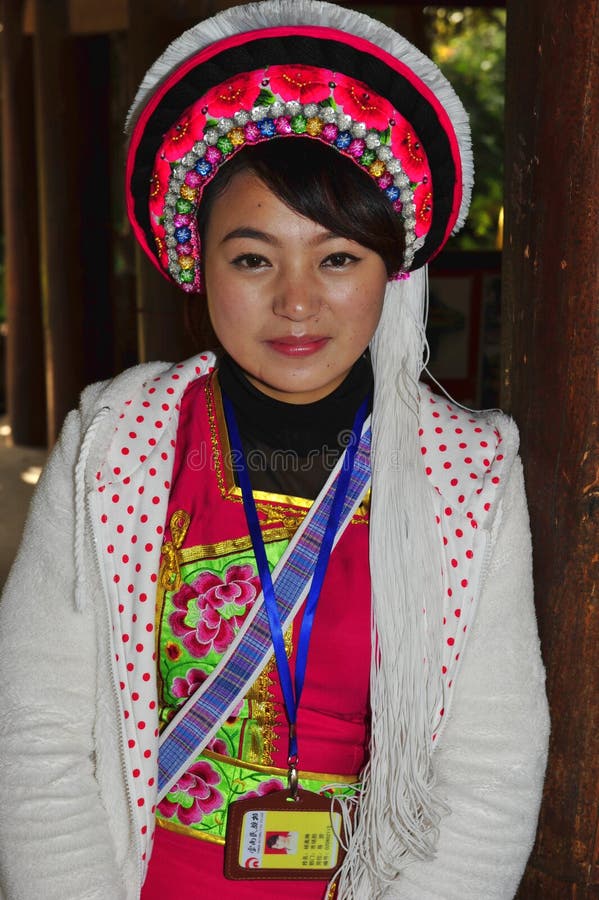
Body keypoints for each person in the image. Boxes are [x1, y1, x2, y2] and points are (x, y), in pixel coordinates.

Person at [0, 2, 549, 899]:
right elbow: (34, 734)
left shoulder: (469, 474)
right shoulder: (116, 442)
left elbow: (488, 769)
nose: (297, 303)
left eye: (337, 259)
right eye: (253, 259)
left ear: (391, 273)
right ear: (198, 265)